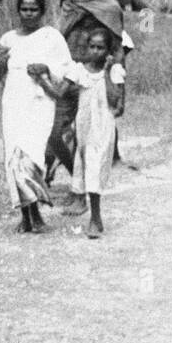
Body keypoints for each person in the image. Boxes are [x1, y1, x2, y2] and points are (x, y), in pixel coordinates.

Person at [0, 0, 73, 234]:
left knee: (32, 155)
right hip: (14, 103)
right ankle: (27, 215)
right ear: (18, 11)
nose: (28, 14)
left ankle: (35, 214)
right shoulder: (7, 39)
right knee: (14, 157)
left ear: (42, 12)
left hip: (39, 104)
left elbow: (65, 67)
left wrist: (45, 66)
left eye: (33, 10)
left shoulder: (51, 37)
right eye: (24, 9)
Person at [47, 0, 125, 181]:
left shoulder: (108, 6)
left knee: (86, 136)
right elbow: (57, 36)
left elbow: (117, 47)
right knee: (53, 134)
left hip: (94, 77)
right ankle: (75, 176)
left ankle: (80, 186)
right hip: (69, 73)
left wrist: (120, 92)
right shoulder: (70, 3)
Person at [43, 27, 124, 237]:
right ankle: (83, 202)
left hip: (103, 125)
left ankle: (95, 218)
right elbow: (58, 93)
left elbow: (116, 103)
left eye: (100, 47)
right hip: (84, 125)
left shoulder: (114, 71)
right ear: (87, 47)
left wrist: (106, 72)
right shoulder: (78, 69)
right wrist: (42, 79)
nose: (95, 51)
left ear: (108, 51)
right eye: (92, 46)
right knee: (84, 164)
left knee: (95, 166)